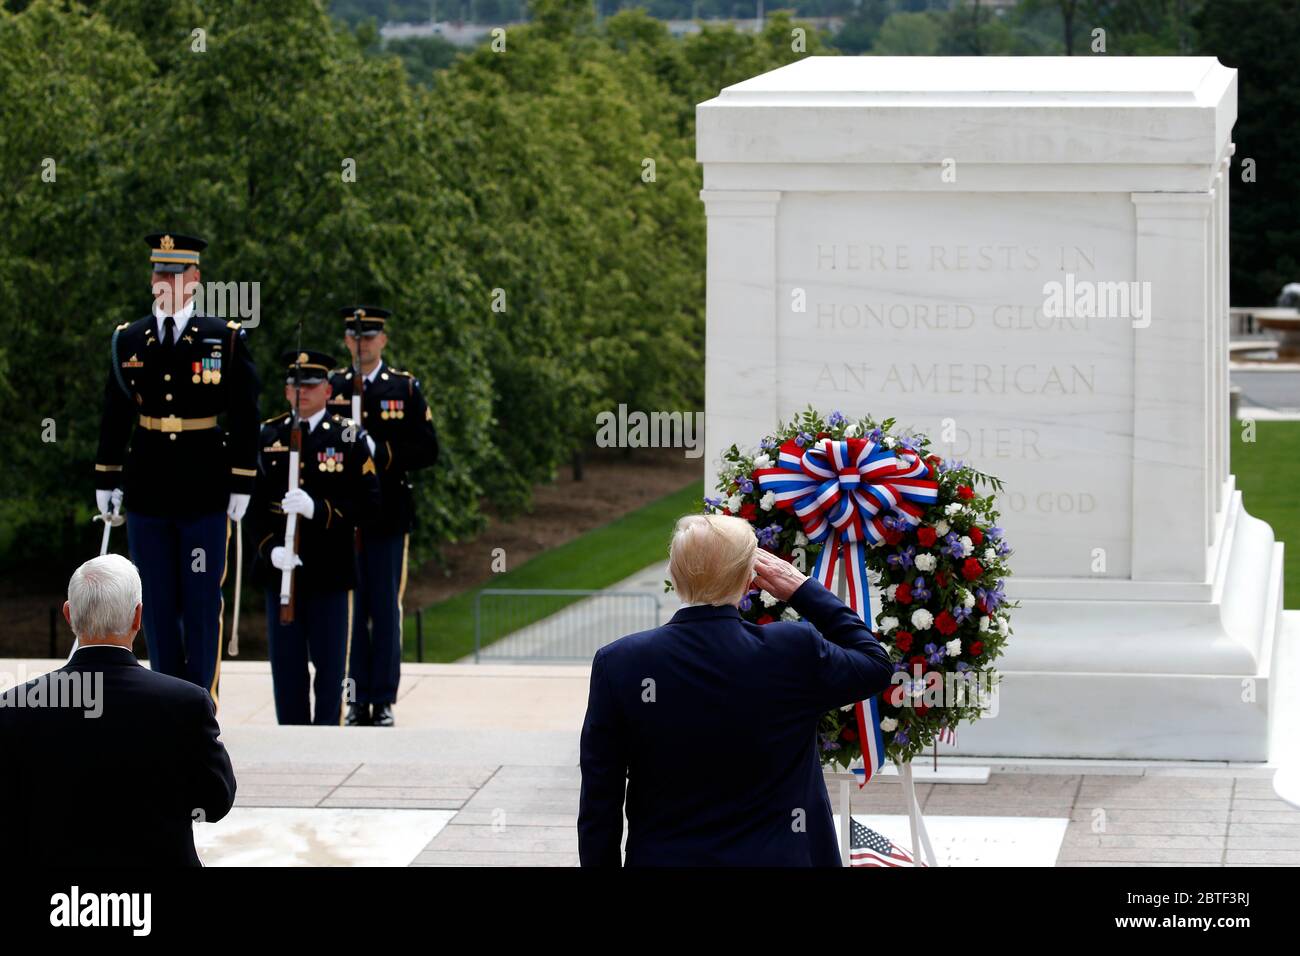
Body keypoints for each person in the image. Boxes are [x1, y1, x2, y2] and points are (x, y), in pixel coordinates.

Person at [577, 514, 895, 866]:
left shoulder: (620, 662)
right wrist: (802, 589)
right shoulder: (792, 649)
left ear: (673, 572)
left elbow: (600, 801)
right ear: (749, 581)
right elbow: (875, 664)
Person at [93, 232, 260, 705]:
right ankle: (167, 704)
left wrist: (244, 479)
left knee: (203, 602)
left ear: (195, 281)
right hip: (148, 486)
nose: (166, 281)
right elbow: (115, 412)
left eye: (176, 273)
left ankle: (200, 706)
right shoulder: (129, 338)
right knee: (157, 605)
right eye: (159, 273)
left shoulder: (223, 337)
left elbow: (246, 414)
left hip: (205, 487)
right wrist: (107, 476)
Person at [0, 555, 236, 867]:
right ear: (139, 617)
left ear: (69, 615)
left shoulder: (15, 707)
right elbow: (216, 801)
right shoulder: (186, 703)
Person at [251, 350, 381, 725]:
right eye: (294, 385)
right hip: (282, 573)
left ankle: (326, 737)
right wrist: (270, 550)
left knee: (329, 669)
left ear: (327, 389)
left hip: (330, 570)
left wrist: (318, 509)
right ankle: (291, 735)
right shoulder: (268, 435)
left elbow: (370, 504)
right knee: (287, 670)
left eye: (309, 386)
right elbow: (254, 508)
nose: (301, 392)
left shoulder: (348, 436)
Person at [328, 307, 438, 727]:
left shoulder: (404, 389)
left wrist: (381, 451)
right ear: (347, 342)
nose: (363, 344)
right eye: (356, 337)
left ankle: (384, 697)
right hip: (343, 517)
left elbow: (427, 449)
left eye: (370, 337)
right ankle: (355, 698)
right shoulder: (333, 387)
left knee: (385, 609)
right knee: (352, 613)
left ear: (383, 341)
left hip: (388, 515)